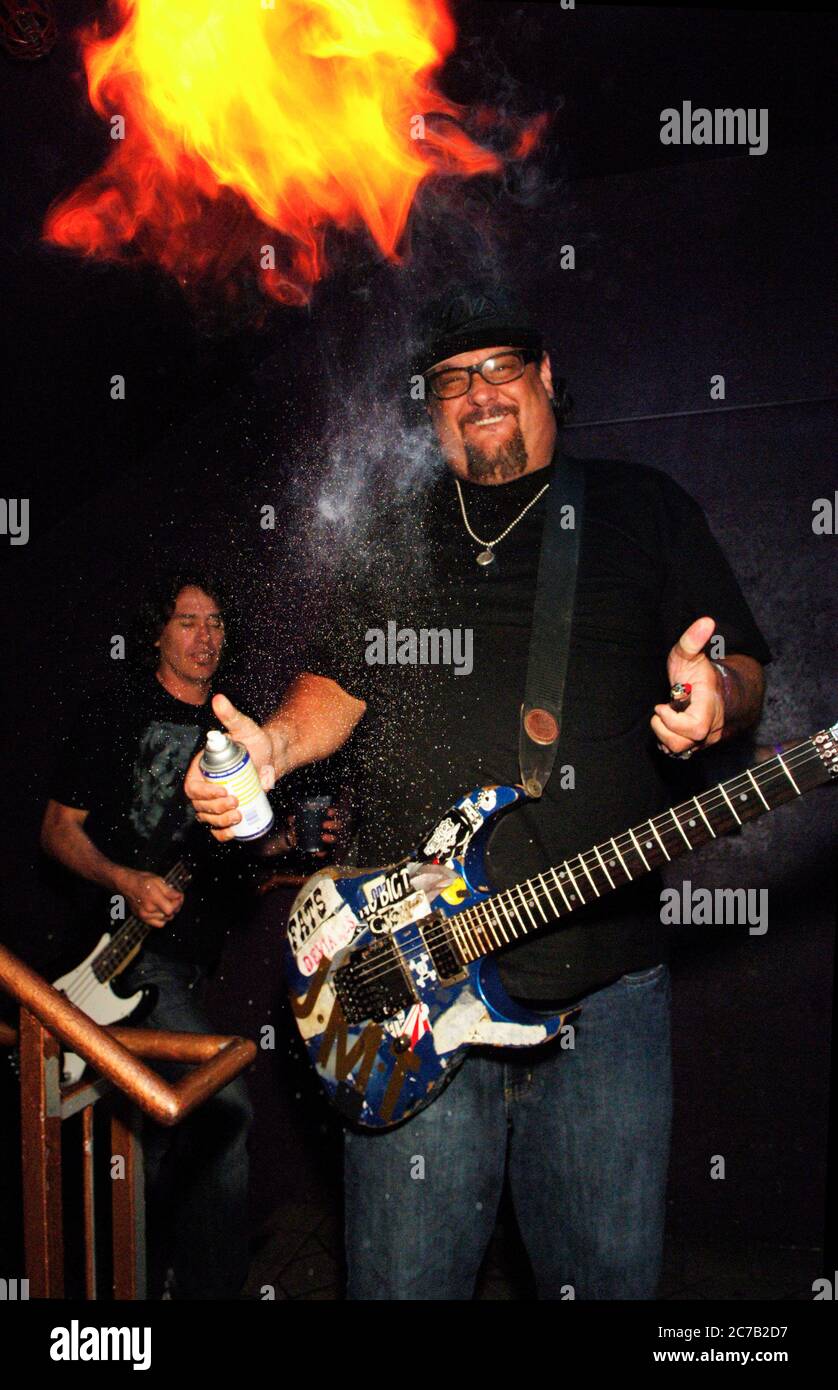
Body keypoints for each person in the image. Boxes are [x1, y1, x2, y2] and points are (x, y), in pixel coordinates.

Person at [184, 285, 771, 1300]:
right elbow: (341, 679)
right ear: (432, 411)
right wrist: (275, 745)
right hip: (412, 977)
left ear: (546, 378)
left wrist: (716, 690)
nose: (476, 391)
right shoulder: (399, 530)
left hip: (603, 996)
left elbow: (742, 660)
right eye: (451, 380)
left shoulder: (640, 506)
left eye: (499, 367)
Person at [41, 572, 257, 1299]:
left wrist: (294, 837)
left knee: (158, 1146)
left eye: (217, 622)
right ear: (157, 635)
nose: (207, 636)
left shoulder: (234, 732)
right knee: (223, 1110)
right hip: (120, 959)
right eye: (189, 622)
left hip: (189, 962)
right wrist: (126, 882)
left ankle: (151, 1279)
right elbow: (56, 831)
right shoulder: (117, 711)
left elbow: (244, 853)